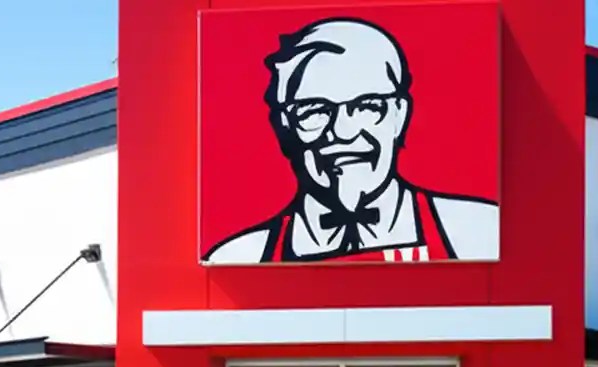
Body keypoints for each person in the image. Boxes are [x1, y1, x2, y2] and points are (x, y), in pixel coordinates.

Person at [204, 18, 498, 264]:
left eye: (367, 106)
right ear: (285, 125)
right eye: (315, 110)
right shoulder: (241, 256)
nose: (343, 132)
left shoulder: (477, 231)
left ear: (400, 115)